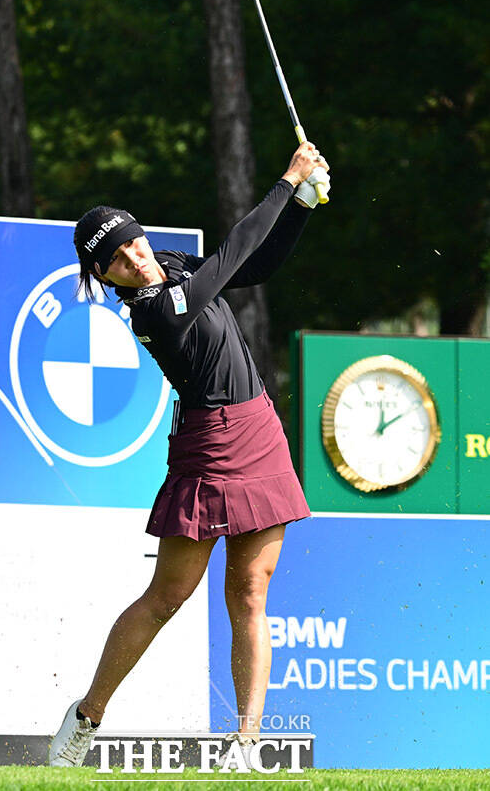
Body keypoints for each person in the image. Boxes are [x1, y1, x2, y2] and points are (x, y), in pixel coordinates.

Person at [49, 141, 329, 768]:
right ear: (105, 278)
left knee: (250, 593)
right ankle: (87, 715)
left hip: (257, 431)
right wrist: (287, 180)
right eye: (114, 260)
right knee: (168, 594)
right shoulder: (152, 309)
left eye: (131, 241)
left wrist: (304, 204)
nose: (131, 256)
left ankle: (247, 742)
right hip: (207, 445)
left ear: (142, 234)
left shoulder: (171, 264)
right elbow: (230, 252)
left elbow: (252, 267)